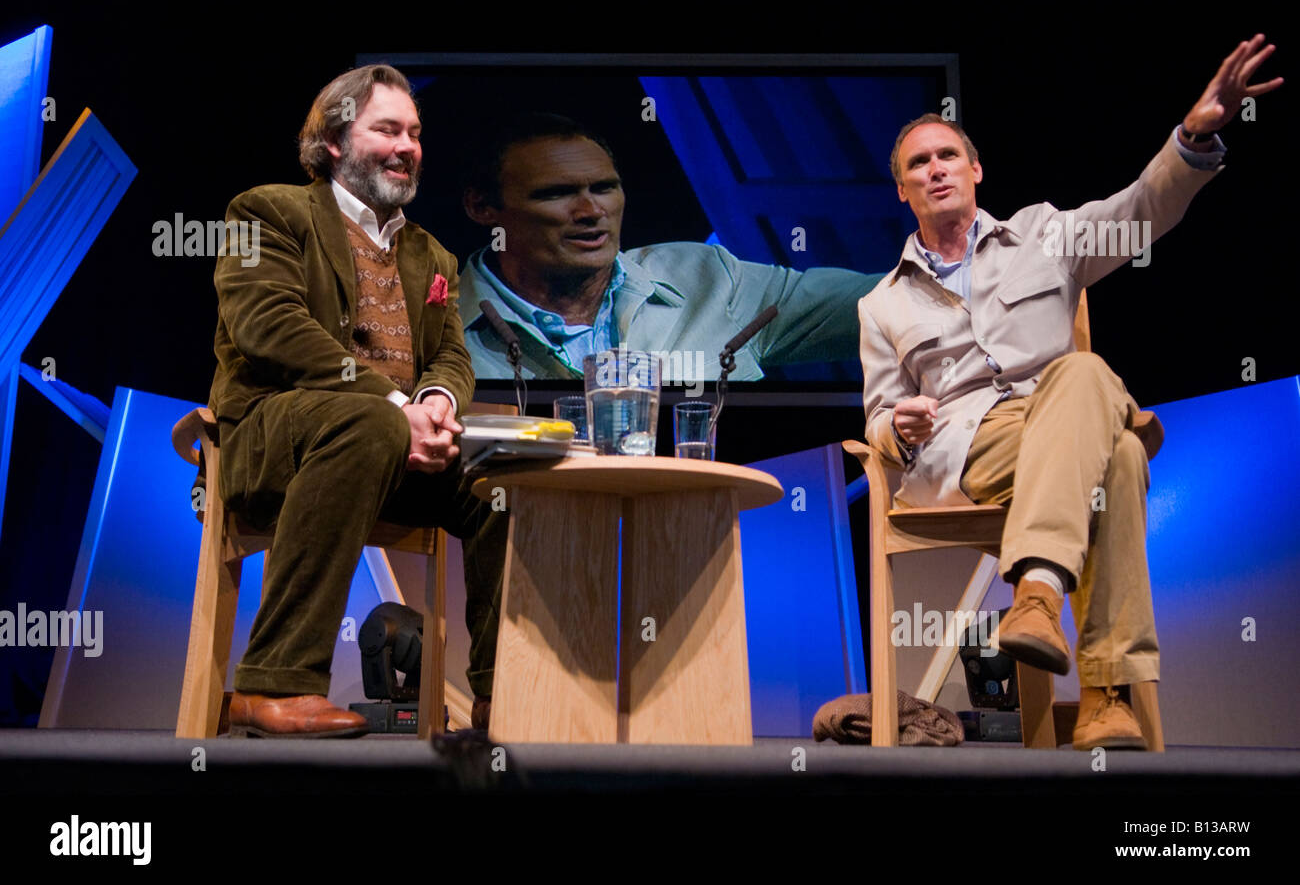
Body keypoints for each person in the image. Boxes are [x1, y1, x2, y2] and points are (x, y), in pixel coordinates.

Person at [857, 36, 1282, 750]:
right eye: (917, 165)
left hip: (1063, 425)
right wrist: (896, 425)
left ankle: (1047, 610)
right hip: (970, 449)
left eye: (947, 156)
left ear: (976, 169)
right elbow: (873, 419)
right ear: (901, 190)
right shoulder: (882, 305)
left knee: (1110, 446)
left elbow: (1140, 211)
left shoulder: (1045, 235)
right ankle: (1103, 688)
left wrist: (1195, 135)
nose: (935, 171)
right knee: (1102, 407)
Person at [207, 65, 505, 737]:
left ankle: (501, 693)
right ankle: (272, 683)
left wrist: (433, 403)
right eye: (388, 129)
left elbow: (453, 356)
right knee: (369, 421)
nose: (408, 146)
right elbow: (270, 327)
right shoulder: (268, 211)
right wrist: (395, 405)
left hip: (393, 447)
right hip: (279, 439)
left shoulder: (433, 255)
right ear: (336, 140)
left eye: (416, 133)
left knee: (502, 475)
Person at [458, 113, 881, 382]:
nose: (591, 210)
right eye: (556, 194)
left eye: (605, 188)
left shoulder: (709, 277)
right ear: (482, 206)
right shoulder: (436, 326)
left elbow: (880, 305)